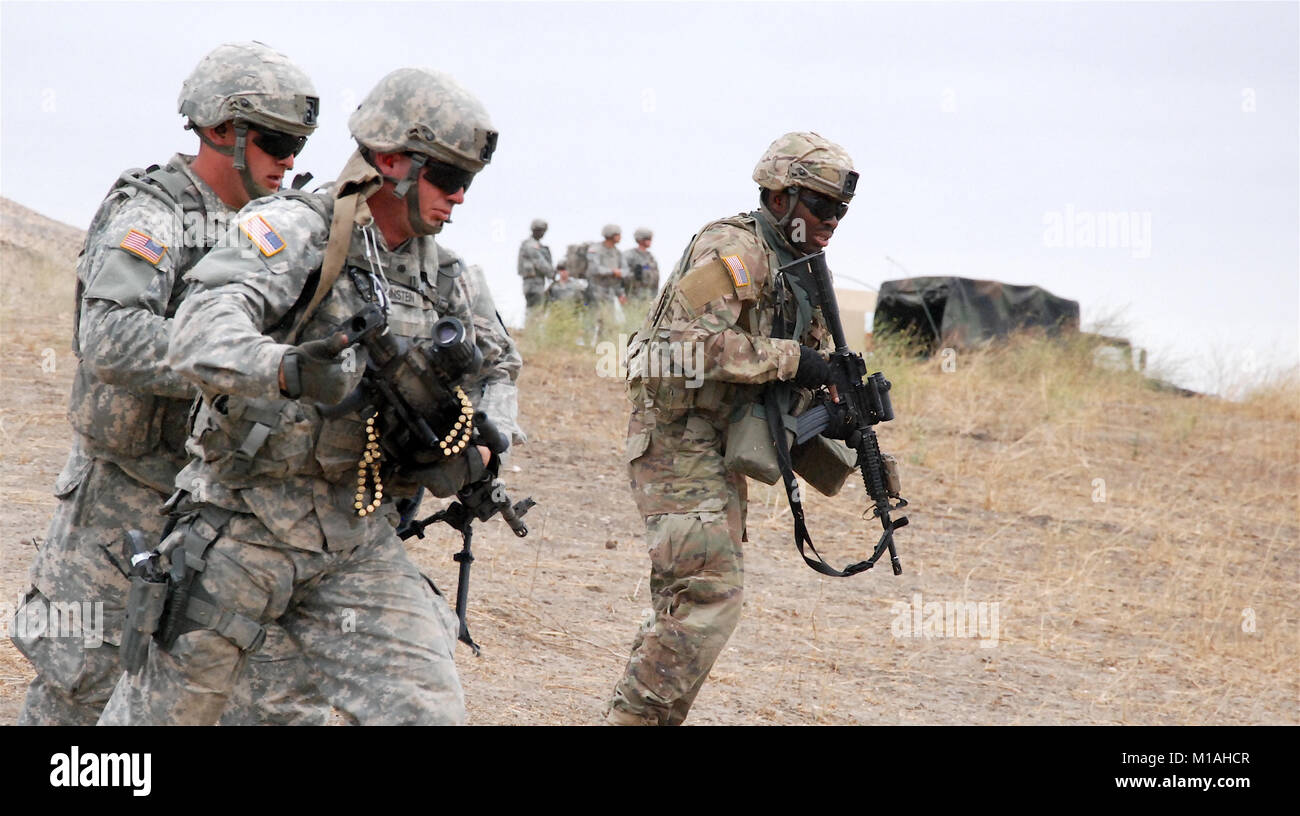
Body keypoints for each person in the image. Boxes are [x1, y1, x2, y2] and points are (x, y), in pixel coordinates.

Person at [98, 67, 500, 726]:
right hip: (241, 527)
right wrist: (285, 369)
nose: (460, 198)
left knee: (427, 711)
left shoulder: (442, 274)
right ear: (394, 162)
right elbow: (197, 332)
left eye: (468, 183)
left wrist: (482, 438)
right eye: (450, 179)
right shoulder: (295, 229)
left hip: (353, 538)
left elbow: (495, 369)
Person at [8, 41, 318, 726]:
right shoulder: (153, 216)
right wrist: (237, 358)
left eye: (297, 143)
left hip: (216, 505)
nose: (288, 158)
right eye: (273, 139)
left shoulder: (276, 231)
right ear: (218, 131)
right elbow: (110, 339)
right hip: (126, 501)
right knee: (82, 689)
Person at [605, 132, 859, 725]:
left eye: (840, 210)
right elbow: (679, 349)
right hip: (677, 440)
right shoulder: (734, 250)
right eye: (822, 206)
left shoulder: (800, 269)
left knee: (697, 603)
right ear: (780, 196)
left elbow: (800, 362)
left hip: (717, 449)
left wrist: (835, 399)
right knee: (706, 597)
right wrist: (795, 360)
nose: (833, 220)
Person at [517, 218, 555, 309]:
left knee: (534, 310)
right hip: (533, 284)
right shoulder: (531, 245)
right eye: (541, 231)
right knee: (535, 310)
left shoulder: (533, 244)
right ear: (536, 230)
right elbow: (540, 262)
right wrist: (552, 274)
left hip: (535, 283)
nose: (543, 234)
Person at [584, 223, 625, 306]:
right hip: (595, 291)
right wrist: (612, 271)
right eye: (618, 234)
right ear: (611, 235)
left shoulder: (617, 252)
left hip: (610, 292)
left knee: (608, 317)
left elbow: (623, 272)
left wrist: (620, 293)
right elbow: (594, 269)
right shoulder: (595, 250)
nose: (620, 237)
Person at [622, 227, 659, 300]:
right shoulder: (629, 255)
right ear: (640, 240)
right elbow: (622, 275)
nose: (650, 241)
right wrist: (634, 275)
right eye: (647, 238)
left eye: (650, 238)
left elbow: (656, 279)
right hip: (633, 297)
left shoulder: (651, 257)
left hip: (650, 297)